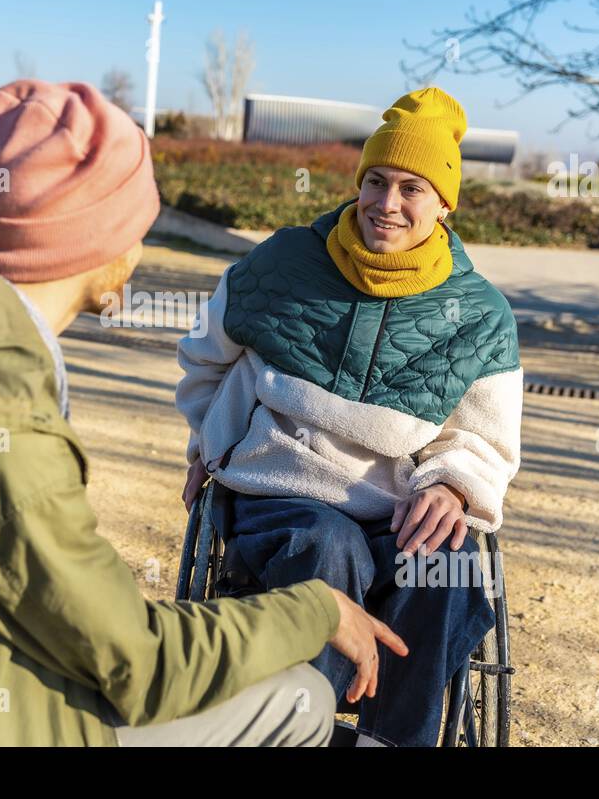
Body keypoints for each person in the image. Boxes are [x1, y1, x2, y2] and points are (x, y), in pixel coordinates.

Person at [0, 79, 406, 747]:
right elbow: (144, 668)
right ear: (100, 235)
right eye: (138, 222)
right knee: (296, 699)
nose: (142, 247)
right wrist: (314, 612)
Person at [176, 87, 523, 746]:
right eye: (376, 181)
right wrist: (208, 441)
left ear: (445, 203)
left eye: (411, 189)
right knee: (324, 544)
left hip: (396, 503)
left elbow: (483, 437)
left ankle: (393, 739)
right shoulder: (280, 264)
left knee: (442, 568)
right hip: (281, 488)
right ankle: (304, 728)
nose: (386, 204)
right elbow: (204, 364)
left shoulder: (478, 313)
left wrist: (453, 484)